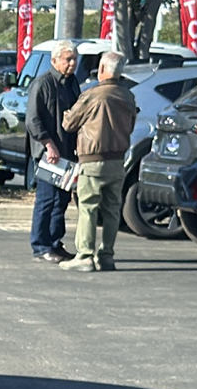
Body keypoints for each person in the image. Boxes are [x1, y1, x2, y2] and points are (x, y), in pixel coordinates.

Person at [59, 51, 139, 272]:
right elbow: (131, 125)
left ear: (102, 69)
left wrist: (67, 113)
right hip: (118, 160)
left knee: (88, 207)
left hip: (93, 159)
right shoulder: (128, 96)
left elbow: (69, 123)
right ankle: (107, 255)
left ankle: (85, 255)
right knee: (112, 209)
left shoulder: (93, 95)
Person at [26, 41, 81, 263]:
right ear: (55, 60)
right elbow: (33, 119)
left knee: (62, 200)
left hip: (68, 153)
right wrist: (49, 144)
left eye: (74, 59)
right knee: (46, 200)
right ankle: (40, 245)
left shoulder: (72, 83)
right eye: (68, 59)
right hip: (49, 153)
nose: (72, 63)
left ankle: (55, 243)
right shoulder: (43, 84)